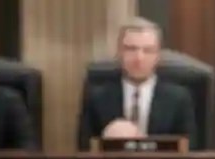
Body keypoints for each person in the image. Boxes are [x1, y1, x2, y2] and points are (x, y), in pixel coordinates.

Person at [78, 17, 198, 150]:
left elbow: (188, 149)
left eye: (148, 50)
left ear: (158, 56)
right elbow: (84, 148)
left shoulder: (179, 99)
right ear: (119, 52)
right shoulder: (97, 98)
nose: (139, 58)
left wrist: (144, 143)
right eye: (131, 49)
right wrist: (105, 140)